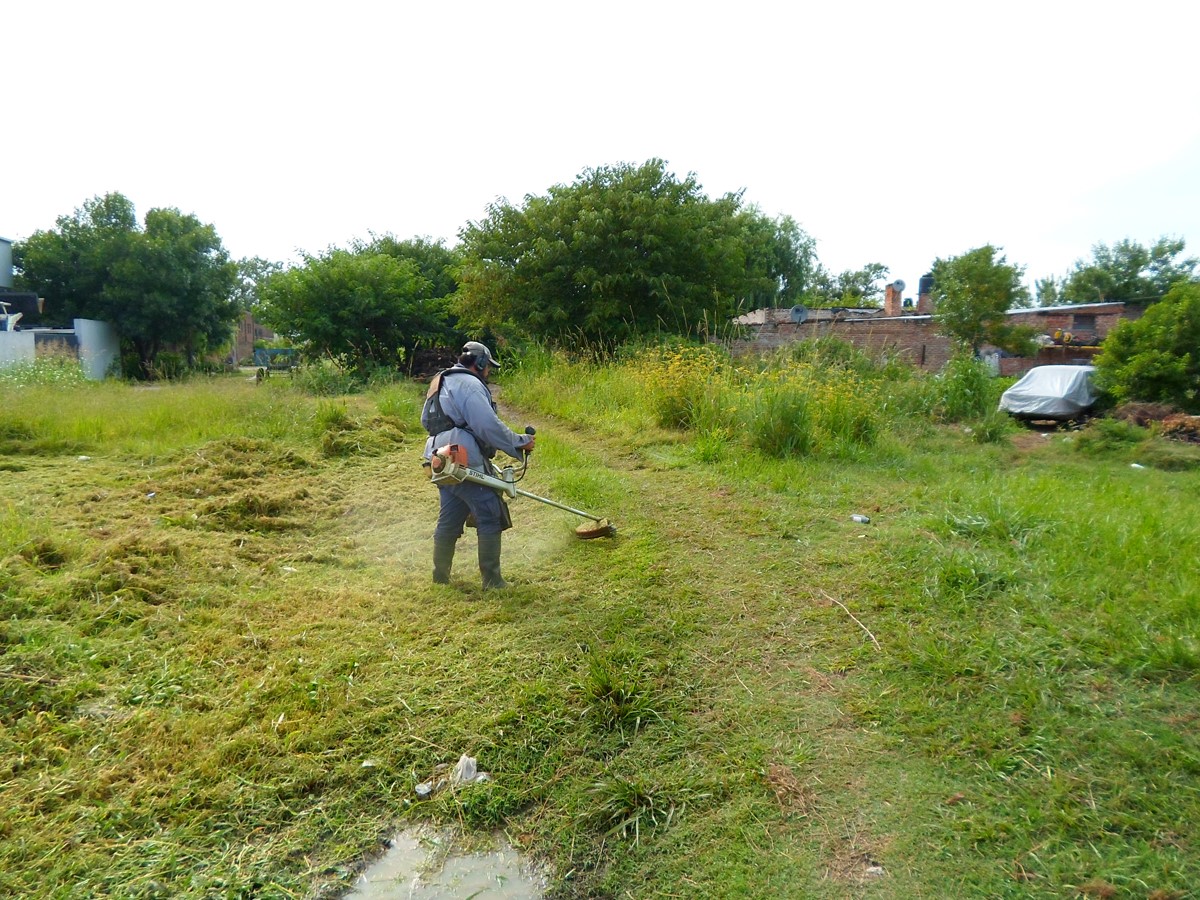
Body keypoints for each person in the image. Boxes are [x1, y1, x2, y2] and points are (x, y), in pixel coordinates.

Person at [422, 341, 535, 588]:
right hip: (461, 453)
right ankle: (492, 581)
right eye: (488, 367)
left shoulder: (439, 381)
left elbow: (425, 420)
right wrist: (520, 442)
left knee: (451, 514)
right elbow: (488, 426)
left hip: (438, 455)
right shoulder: (470, 384)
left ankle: (440, 576)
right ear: (480, 363)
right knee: (489, 511)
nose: (489, 372)